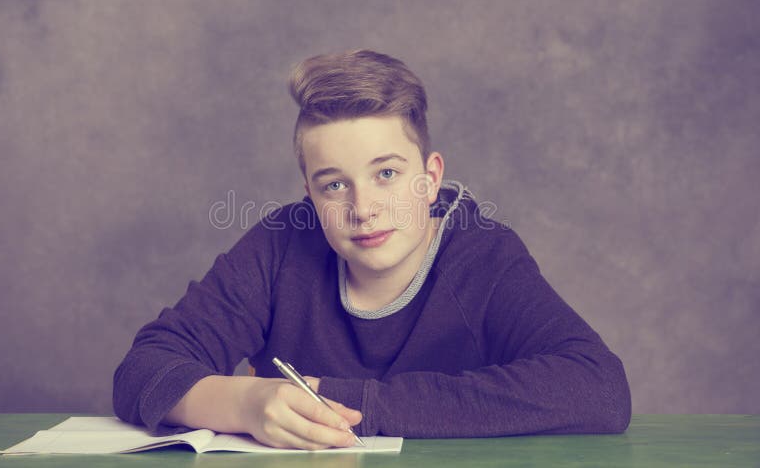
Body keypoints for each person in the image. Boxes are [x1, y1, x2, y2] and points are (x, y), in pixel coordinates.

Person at [113, 49, 631, 450]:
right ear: (309, 195)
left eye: (386, 174)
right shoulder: (280, 246)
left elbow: (598, 388)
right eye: (334, 185)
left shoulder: (484, 259)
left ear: (429, 180)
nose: (363, 208)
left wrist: (358, 402)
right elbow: (143, 367)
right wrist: (244, 402)